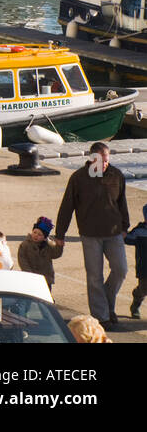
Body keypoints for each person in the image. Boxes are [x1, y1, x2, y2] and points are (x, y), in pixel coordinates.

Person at [55, 141, 131, 330]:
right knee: (94, 276)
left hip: (114, 233)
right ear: (91, 159)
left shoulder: (116, 175)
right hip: (90, 234)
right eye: (100, 160)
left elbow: (122, 202)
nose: (104, 164)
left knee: (121, 270)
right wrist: (60, 234)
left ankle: (106, 304)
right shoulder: (78, 178)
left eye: (106, 160)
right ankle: (101, 316)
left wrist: (125, 227)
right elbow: (67, 206)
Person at [17, 216, 64, 289]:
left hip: (45, 279)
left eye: (40, 234)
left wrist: (59, 246)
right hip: (30, 279)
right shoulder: (25, 245)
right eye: (35, 232)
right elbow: (23, 262)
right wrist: (30, 275)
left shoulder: (48, 245)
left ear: (45, 237)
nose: (36, 235)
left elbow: (56, 254)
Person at [126, 205, 147, 319]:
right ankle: (136, 300)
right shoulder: (139, 231)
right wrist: (122, 234)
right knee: (144, 288)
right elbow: (128, 238)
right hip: (144, 267)